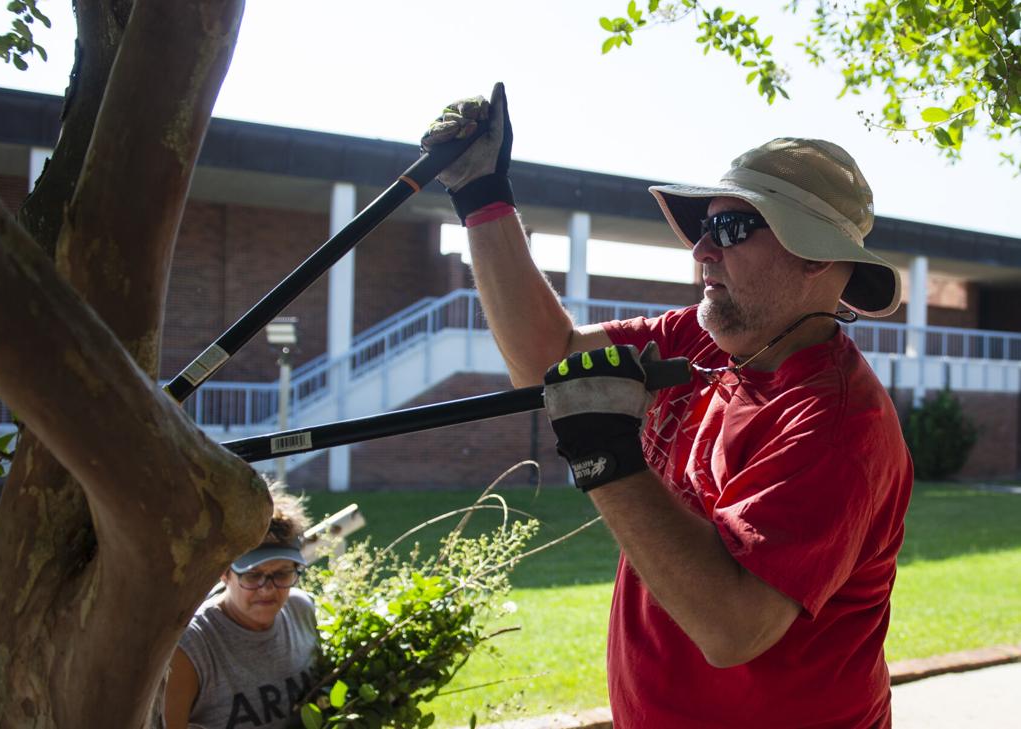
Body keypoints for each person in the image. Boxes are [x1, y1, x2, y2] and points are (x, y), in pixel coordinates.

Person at [421, 84, 913, 728]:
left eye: (730, 228)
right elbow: (549, 358)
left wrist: (608, 460)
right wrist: (482, 197)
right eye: (704, 227)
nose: (701, 249)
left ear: (817, 256)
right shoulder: (701, 335)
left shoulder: (838, 423)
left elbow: (733, 628)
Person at [164, 487, 318, 729]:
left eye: (281, 574)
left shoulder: (302, 610)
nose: (267, 589)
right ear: (224, 573)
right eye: (253, 576)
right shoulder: (191, 647)